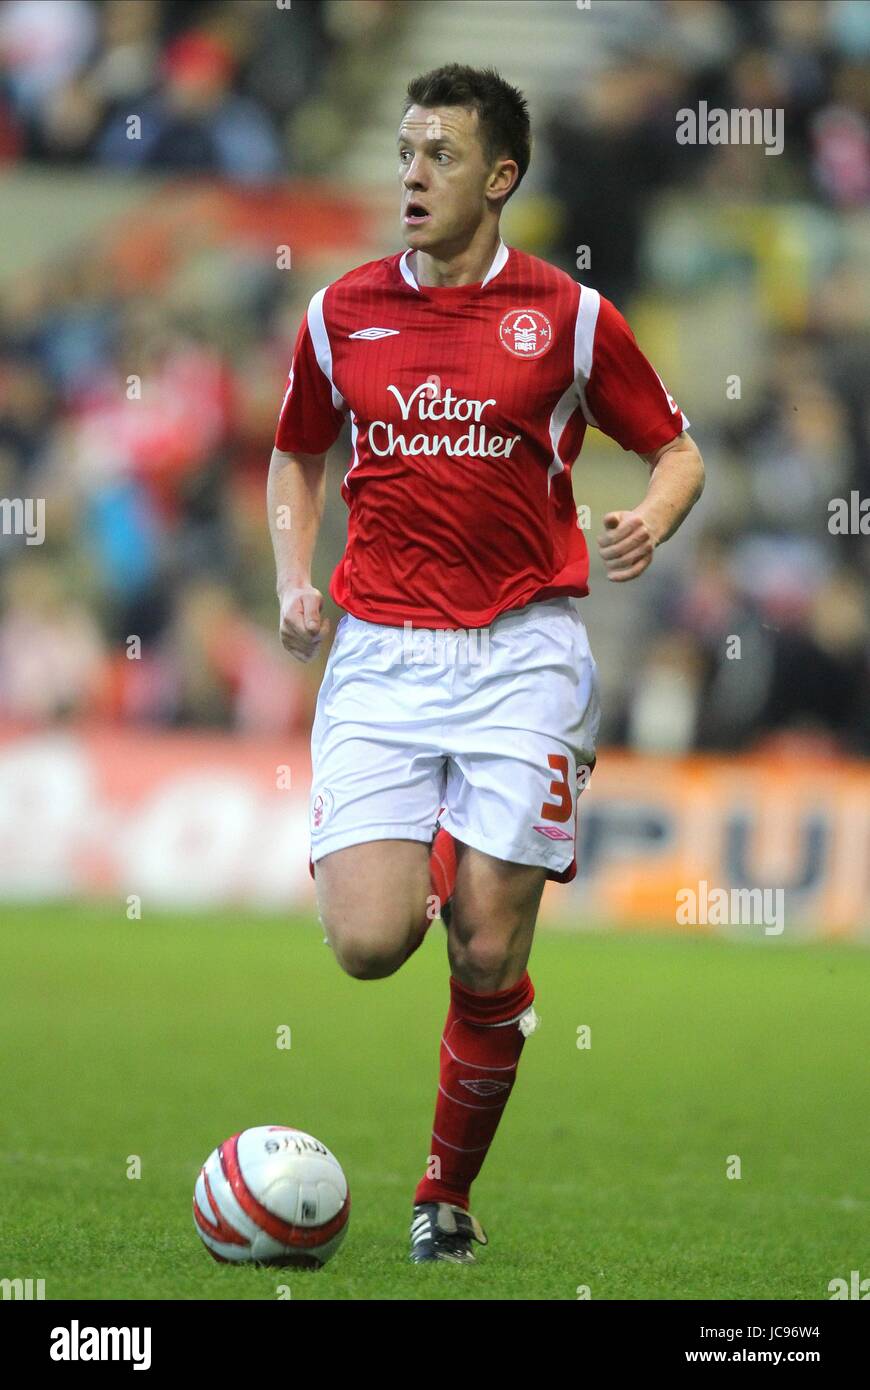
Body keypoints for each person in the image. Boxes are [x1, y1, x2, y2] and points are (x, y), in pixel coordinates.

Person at [267, 63, 705, 1264]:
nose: (411, 173)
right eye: (404, 151)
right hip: (383, 654)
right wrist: (293, 576)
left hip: (523, 653)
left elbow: (676, 450)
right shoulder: (341, 311)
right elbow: (296, 452)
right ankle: (457, 836)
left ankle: (442, 1196)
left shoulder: (567, 316)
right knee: (366, 943)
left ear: (500, 176)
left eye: (440, 156)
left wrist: (653, 517)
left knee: (487, 946)